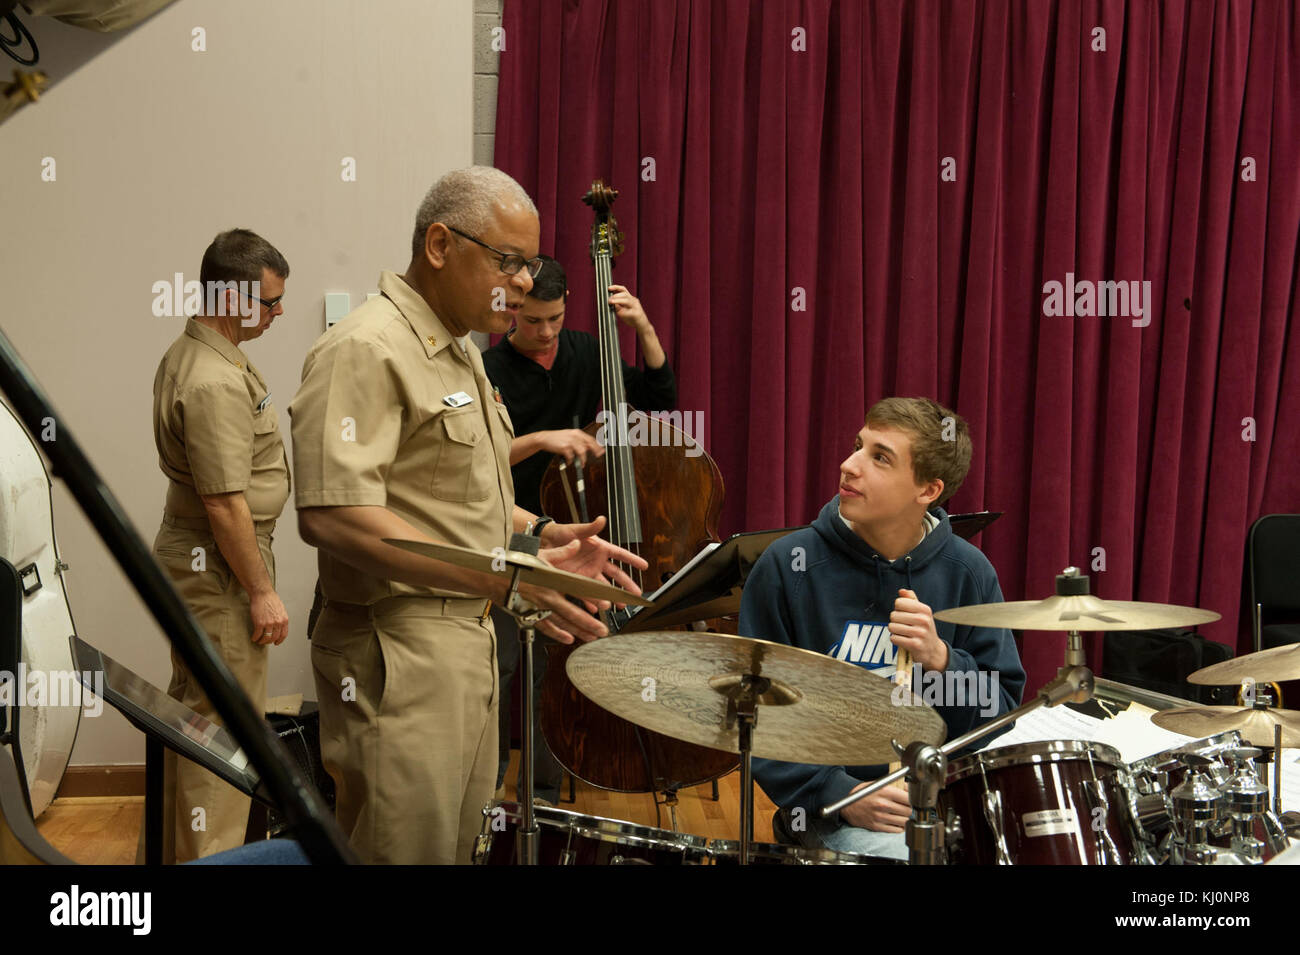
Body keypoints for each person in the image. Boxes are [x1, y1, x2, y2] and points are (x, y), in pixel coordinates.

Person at [287, 166, 645, 865]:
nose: (519, 282)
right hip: (399, 649)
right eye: (507, 261)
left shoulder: (458, 353)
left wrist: (536, 535)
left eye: (530, 264)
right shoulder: (367, 346)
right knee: (402, 852)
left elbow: (451, 495)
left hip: (466, 639)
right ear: (441, 244)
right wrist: (508, 579)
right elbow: (334, 515)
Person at [741, 396, 1025, 860]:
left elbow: (1000, 712)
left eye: (879, 457)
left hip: (942, 807)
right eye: (858, 445)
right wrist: (840, 794)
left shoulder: (968, 572)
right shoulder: (788, 566)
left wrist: (942, 661)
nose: (848, 465)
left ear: (927, 491)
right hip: (832, 808)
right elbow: (754, 711)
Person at [481, 255, 677, 803]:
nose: (544, 332)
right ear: (512, 312)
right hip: (512, 532)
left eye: (555, 319)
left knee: (553, 667)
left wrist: (643, 328)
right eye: (533, 320)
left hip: (572, 533)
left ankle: (543, 793)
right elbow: (481, 461)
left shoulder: (587, 352)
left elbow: (659, 402)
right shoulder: (489, 369)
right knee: (501, 667)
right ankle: (489, 787)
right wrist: (541, 438)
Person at [148, 228, 292, 863]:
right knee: (224, 733)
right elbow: (224, 502)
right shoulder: (211, 378)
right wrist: (261, 590)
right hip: (222, 571)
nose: (278, 313)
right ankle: (212, 861)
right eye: (269, 302)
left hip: (205, 561)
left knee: (194, 720)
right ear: (231, 297)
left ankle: (186, 858)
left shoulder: (210, 352)